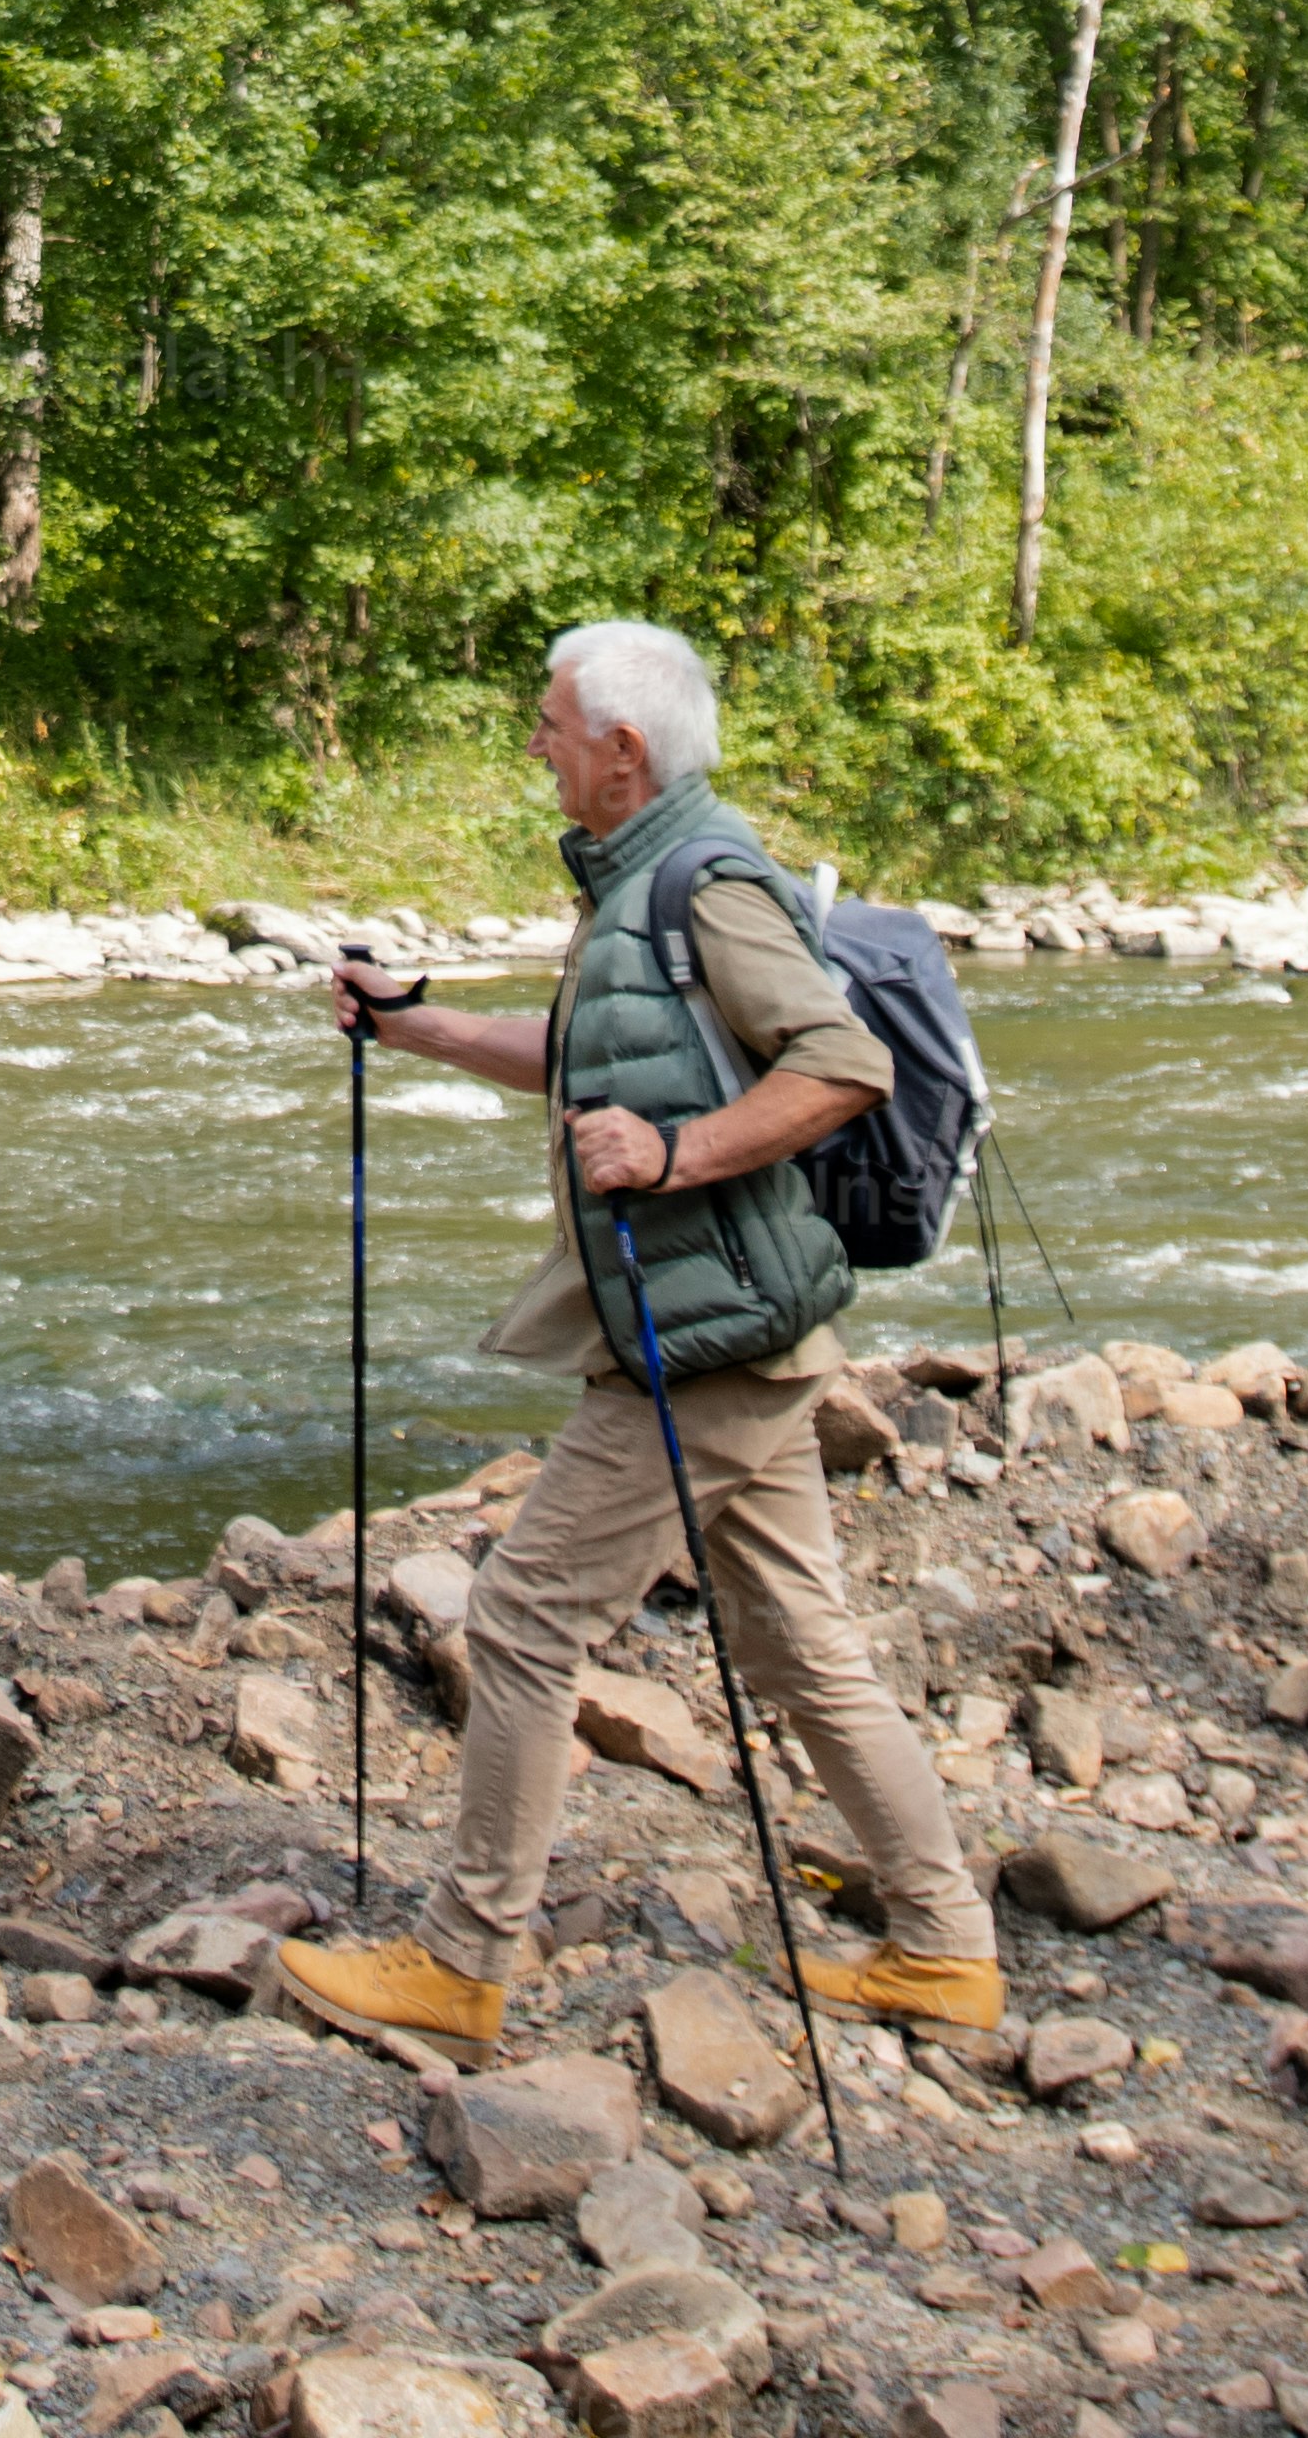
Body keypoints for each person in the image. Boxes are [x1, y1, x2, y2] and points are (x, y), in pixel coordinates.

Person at [263, 619, 1003, 2056]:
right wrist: (420, 1030)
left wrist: (678, 1159)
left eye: (550, 723)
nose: (534, 743)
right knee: (804, 1649)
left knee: (524, 1617)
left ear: (623, 749)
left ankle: (463, 1968)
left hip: (703, 1334)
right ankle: (945, 1952)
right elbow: (593, 1056)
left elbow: (845, 1062)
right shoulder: (639, 881)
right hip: (746, 1331)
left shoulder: (701, 882)